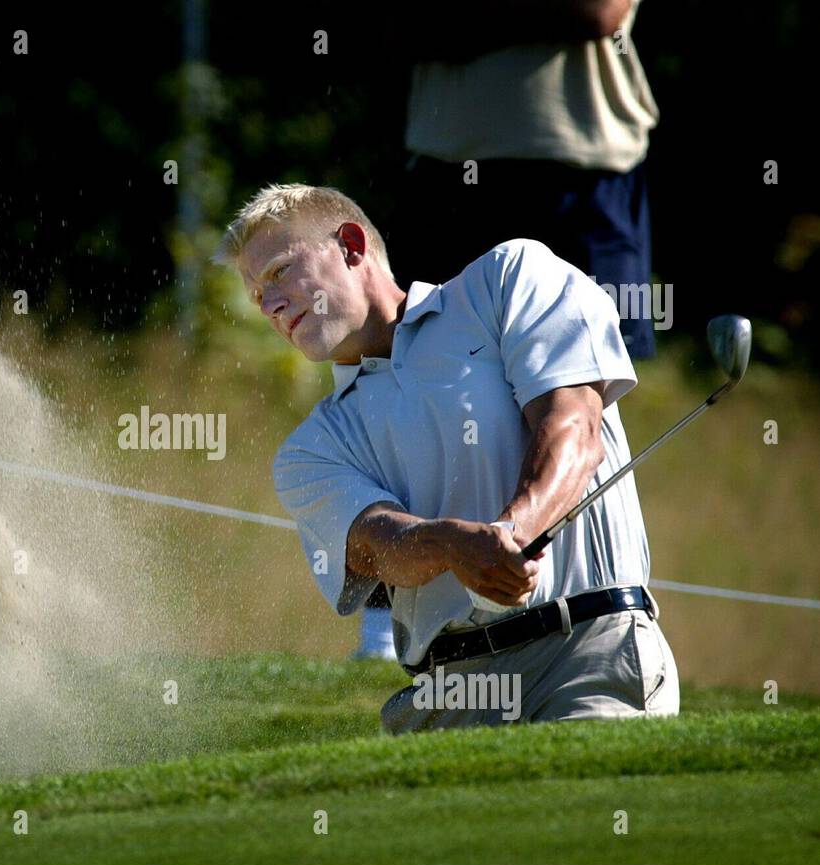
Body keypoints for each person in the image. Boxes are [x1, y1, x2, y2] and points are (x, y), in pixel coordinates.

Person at [214, 184, 677, 732]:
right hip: (447, 694)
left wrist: (512, 534)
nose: (269, 305)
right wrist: (460, 547)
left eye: (280, 272)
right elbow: (379, 546)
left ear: (352, 245)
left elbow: (574, 426)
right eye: (256, 296)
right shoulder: (311, 447)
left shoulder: (509, 278)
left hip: (589, 654)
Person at [395, 0, 659, 360]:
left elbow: (597, 12)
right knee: (441, 373)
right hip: (450, 177)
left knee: (593, 371)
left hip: (585, 175)